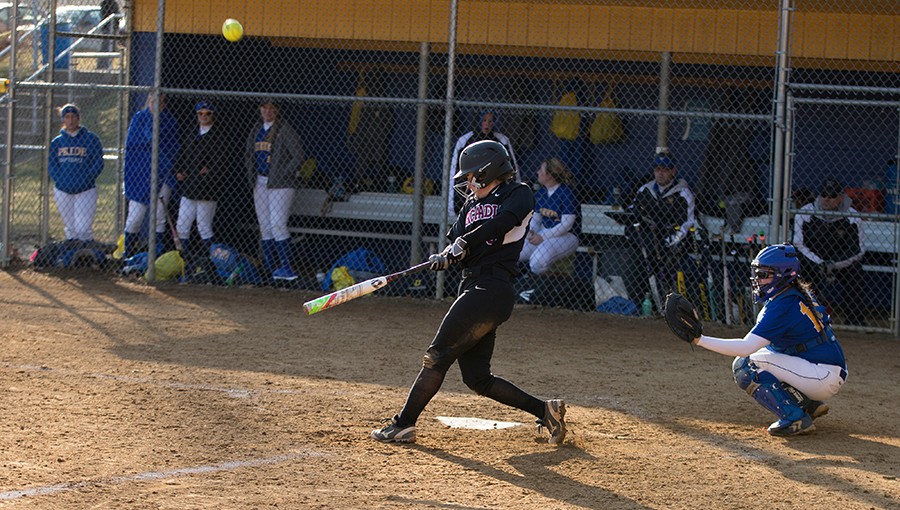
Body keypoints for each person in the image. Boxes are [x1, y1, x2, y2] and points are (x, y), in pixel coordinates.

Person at [371, 140, 567, 445]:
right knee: (477, 378)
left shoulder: (518, 192)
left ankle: (403, 424)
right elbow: (458, 242)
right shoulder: (471, 204)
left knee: (437, 356)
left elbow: (501, 223)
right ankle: (546, 410)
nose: (469, 182)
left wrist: (465, 244)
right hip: (472, 287)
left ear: (488, 172)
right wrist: (446, 256)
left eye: (473, 176)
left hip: (492, 288)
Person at [686, 243, 847, 436]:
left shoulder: (783, 305)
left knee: (745, 365)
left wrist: (700, 340)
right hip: (823, 368)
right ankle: (808, 404)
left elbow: (745, 347)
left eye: (764, 274)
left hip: (821, 374)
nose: (757, 280)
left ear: (783, 275)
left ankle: (794, 417)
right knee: (764, 354)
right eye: (757, 274)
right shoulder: (794, 294)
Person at [245, 98, 305, 281]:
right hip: (260, 181)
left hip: (281, 184)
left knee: (278, 224)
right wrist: (251, 174)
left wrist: (283, 173)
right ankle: (270, 268)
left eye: (272, 108)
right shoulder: (257, 129)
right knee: (265, 225)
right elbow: (249, 154)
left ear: (277, 111)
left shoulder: (284, 129)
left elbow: (298, 155)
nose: (268, 111)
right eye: (264, 108)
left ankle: (286, 267)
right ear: (260, 109)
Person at [792, 178, 867, 326]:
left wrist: (834, 264)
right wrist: (819, 263)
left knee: (856, 274)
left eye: (832, 195)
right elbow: (798, 244)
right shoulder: (805, 212)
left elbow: (858, 249)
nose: (827, 199)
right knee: (802, 273)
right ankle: (807, 318)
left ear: (841, 197)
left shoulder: (852, 216)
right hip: (813, 261)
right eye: (824, 194)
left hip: (840, 263)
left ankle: (854, 320)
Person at [627, 151, 697, 298]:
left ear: (673, 171)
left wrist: (668, 242)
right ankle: (641, 301)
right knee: (634, 263)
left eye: (665, 170)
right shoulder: (645, 190)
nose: (660, 173)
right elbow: (631, 215)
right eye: (657, 169)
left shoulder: (683, 193)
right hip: (647, 244)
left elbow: (687, 225)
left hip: (671, 246)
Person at [122, 92, 181, 258]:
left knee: (159, 217)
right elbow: (134, 145)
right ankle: (128, 255)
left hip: (163, 174)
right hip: (141, 174)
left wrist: (164, 163)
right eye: (153, 102)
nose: (157, 106)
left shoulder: (170, 122)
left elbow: (172, 147)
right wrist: (150, 133)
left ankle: (155, 255)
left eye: (160, 103)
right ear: (149, 102)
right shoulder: (139, 118)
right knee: (135, 217)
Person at [172, 101, 225, 267]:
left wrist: (207, 172)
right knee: (182, 225)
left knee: (204, 226)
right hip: (190, 187)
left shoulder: (218, 136)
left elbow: (219, 165)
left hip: (207, 190)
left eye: (207, 113)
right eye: (200, 113)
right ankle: (184, 263)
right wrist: (180, 171)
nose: (204, 116)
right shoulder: (191, 134)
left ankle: (212, 263)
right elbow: (183, 157)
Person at [47, 104, 104, 242]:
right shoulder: (57, 142)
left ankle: (86, 251)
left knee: (83, 228)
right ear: (63, 120)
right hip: (63, 189)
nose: (70, 120)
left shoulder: (91, 139)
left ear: (78, 118)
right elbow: (52, 164)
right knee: (70, 228)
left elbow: (98, 162)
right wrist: (60, 180)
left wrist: (87, 178)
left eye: (73, 117)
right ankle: (73, 252)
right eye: (67, 117)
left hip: (85, 189)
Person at [447, 110, 519, 218]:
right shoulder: (465, 140)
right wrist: (454, 207)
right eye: (484, 120)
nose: (487, 124)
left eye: (490, 121)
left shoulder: (502, 140)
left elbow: (512, 169)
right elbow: (455, 171)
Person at [519, 157, 580, 276]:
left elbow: (567, 225)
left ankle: (543, 283)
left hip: (567, 236)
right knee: (514, 252)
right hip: (545, 233)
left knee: (537, 261)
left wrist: (542, 236)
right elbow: (536, 220)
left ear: (550, 175)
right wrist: (531, 232)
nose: (538, 172)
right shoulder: (541, 193)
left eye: (541, 170)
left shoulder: (566, 193)